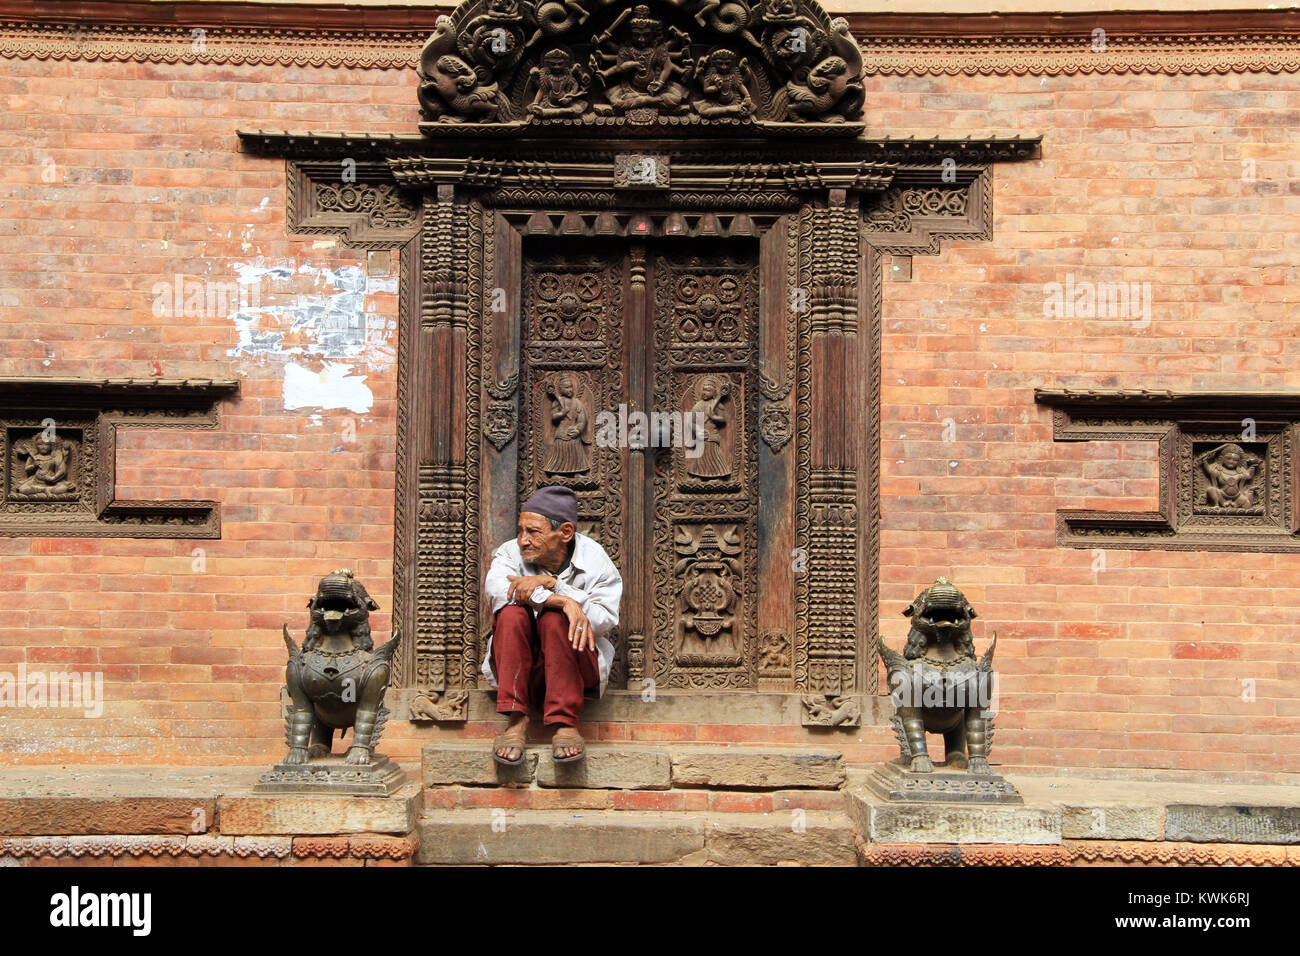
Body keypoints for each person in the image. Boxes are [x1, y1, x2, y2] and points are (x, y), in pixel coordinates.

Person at [482, 485, 622, 765]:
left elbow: (604, 620)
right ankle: (517, 718)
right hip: (522, 670)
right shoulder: (509, 553)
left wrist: (554, 584)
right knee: (511, 614)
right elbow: (499, 591)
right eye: (520, 530)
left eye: (533, 532)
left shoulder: (595, 560)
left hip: (576, 669)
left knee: (556, 620)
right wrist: (559, 600)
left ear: (566, 533)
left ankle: (564, 722)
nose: (522, 540)